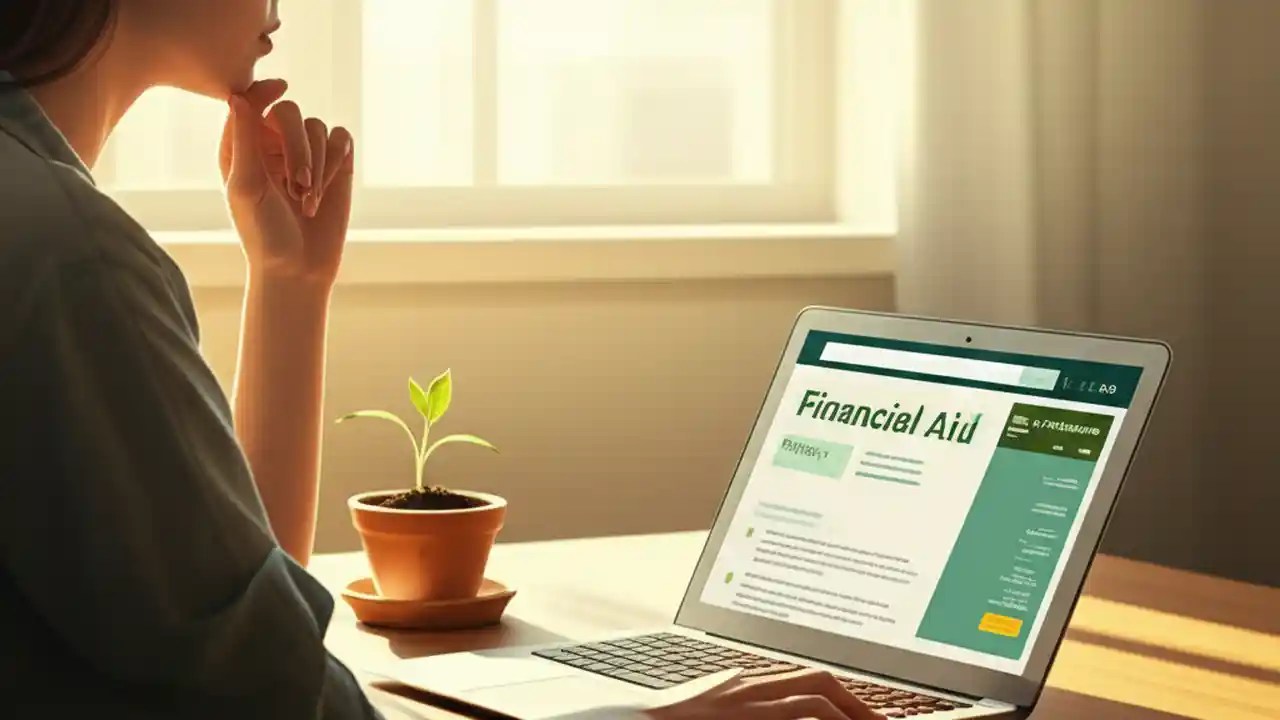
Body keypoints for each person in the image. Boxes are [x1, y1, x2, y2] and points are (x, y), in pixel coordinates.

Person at [0, 2, 882, 718]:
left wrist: (291, 284)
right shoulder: (76, 259)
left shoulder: (42, 215)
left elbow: (238, 613)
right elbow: (279, 699)